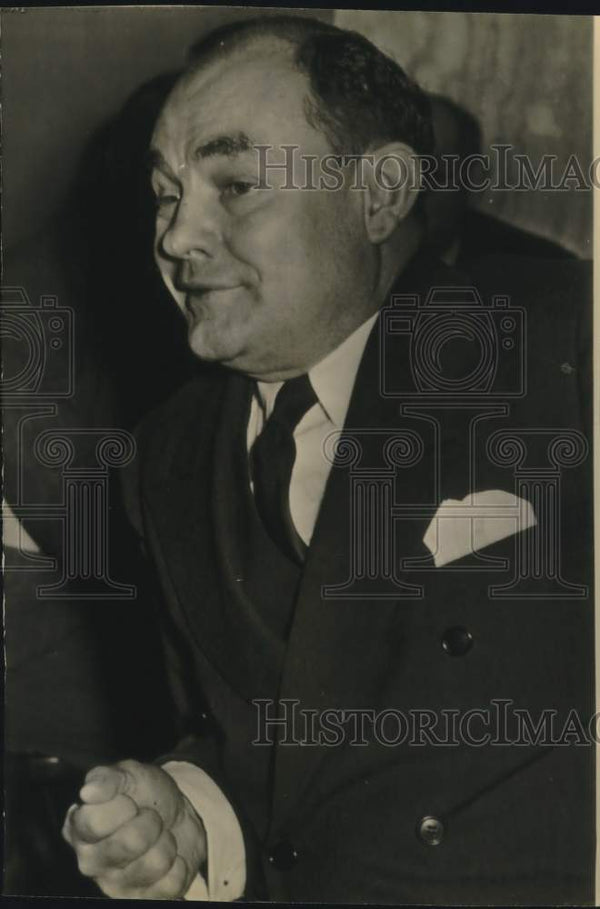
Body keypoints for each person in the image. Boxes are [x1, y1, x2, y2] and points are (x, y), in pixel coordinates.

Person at [62, 15, 594, 904]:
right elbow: (255, 750)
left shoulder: (560, 344)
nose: (178, 237)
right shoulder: (164, 455)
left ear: (380, 194)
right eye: (164, 193)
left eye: (232, 184)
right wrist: (189, 815)